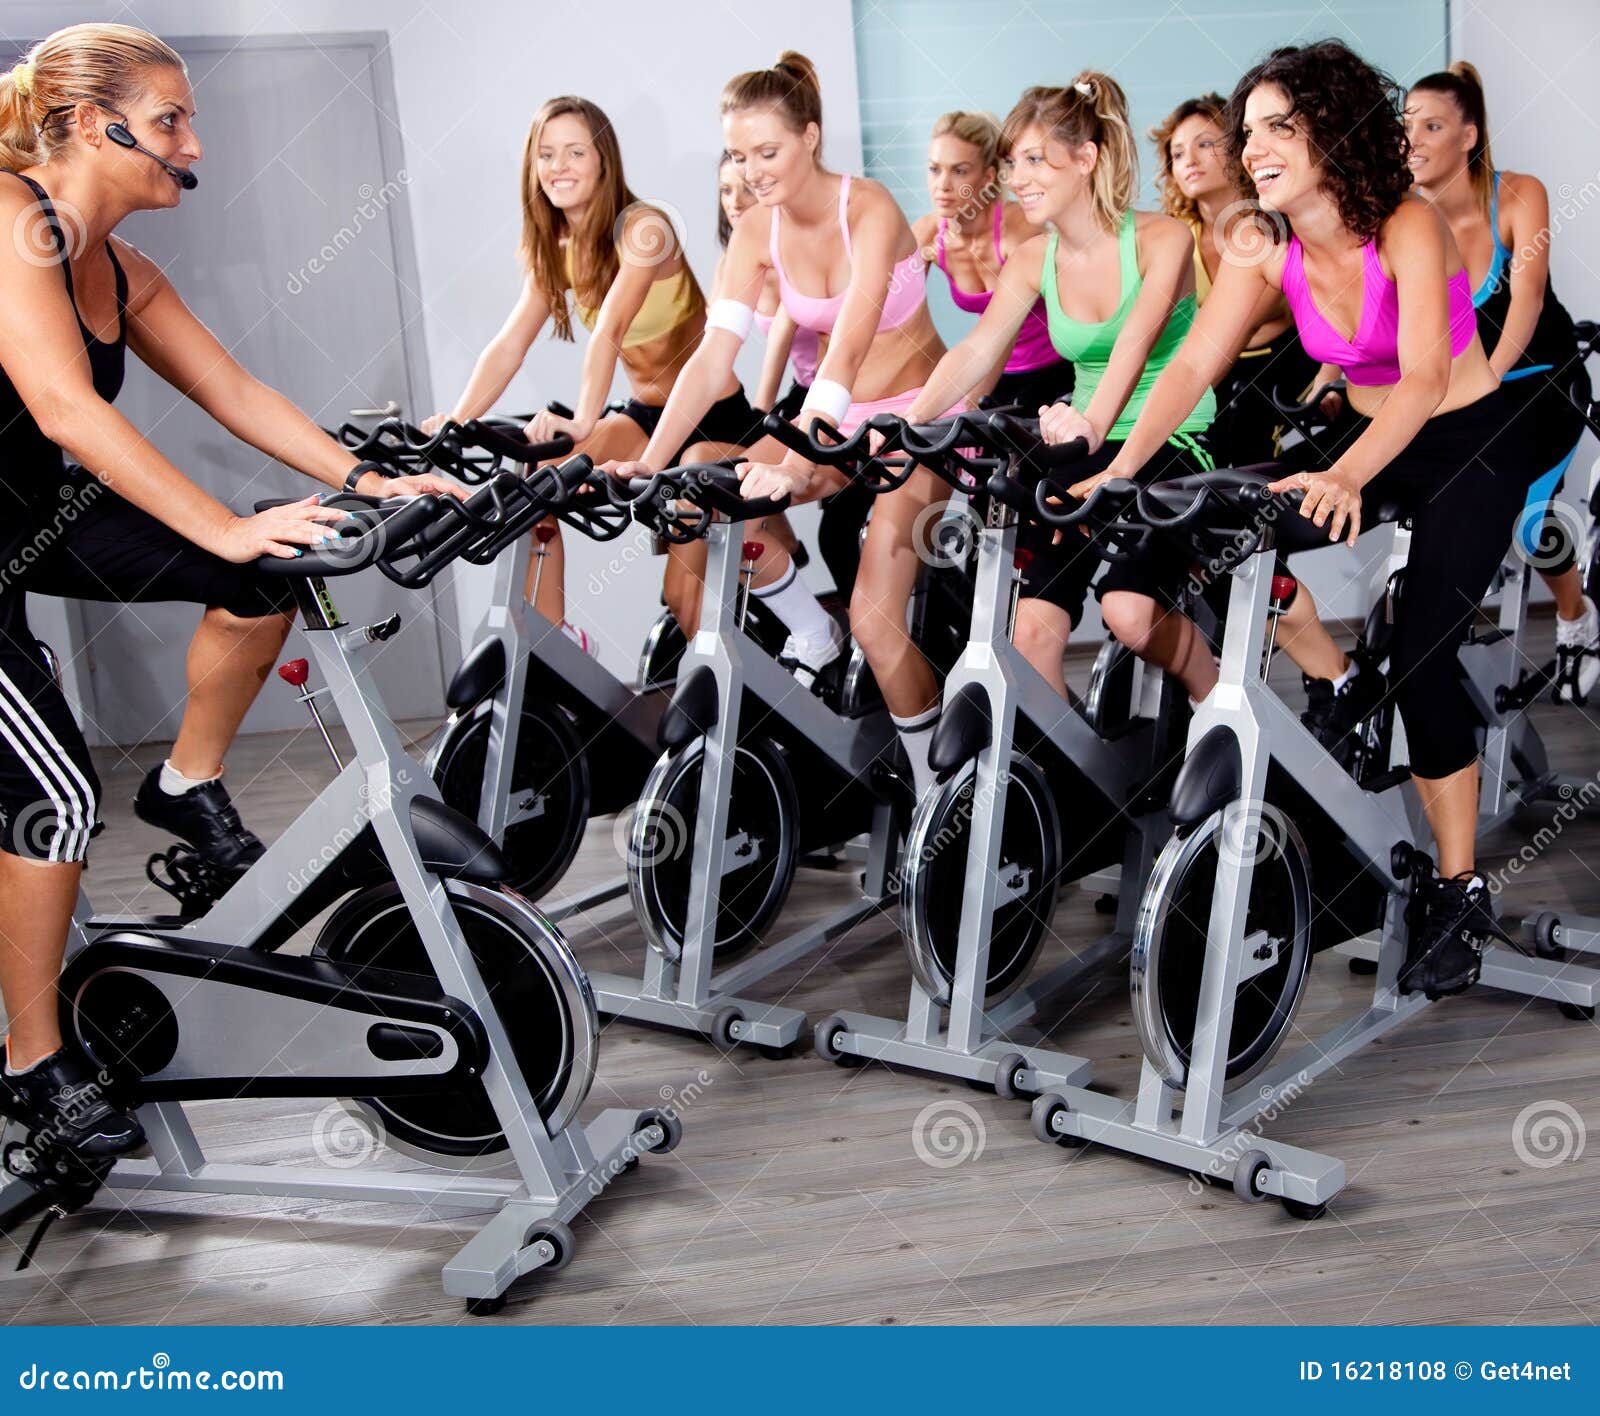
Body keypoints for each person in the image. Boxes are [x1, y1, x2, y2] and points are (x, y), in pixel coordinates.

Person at [0, 23, 459, 1153]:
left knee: (261, 575)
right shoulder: (12, 220)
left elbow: (234, 388)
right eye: (168, 122)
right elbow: (66, 410)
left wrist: (365, 479)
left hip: (20, 516)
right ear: (86, 124)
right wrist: (219, 515)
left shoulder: (116, 265)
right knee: (51, 796)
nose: (191, 143)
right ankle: (32, 1066)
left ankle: (185, 787)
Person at [1082, 40, 1530, 999]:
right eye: (1250, 133)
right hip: (1364, 443)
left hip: (1466, 441)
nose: (1254, 150)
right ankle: (1330, 699)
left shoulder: (1406, 223)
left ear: (1334, 131)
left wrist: (1348, 477)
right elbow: (1196, 363)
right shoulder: (1261, 240)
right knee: (1220, 518)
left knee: (1421, 653)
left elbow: (1421, 378)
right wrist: (1117, 470)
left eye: (1279, 128)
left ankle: (1461, 887)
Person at [607, 50, 957, 791]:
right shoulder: (758, 231)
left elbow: (853, 342)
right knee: (702, 468)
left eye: (767, 151)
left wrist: (799, 462)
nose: (754, 169)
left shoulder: (868, 208)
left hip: (918, 419)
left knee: (878, 621)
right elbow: (710, 360)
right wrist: (652, 459)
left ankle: (938, 793)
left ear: (810, 137)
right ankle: (808, 629)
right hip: (837, 417)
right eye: (738, 155)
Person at [898, 74, 1215, 700]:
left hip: (1172, 441)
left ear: (1086, 158)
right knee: (1030, 635)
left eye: (1035, 159)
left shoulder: (1162, 239)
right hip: (1086, 443)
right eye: (1013, 162)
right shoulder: (1033, 257)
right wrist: (908, 423)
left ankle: (1216, 705)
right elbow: (978, 349)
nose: (1017, 177)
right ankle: (1075, 779)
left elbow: (1135, 346)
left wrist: (1090, 420)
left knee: (1127, 613)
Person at [421, 96, 762, 653]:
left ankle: (737, 701)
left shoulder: (644, 227)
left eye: (575, 152)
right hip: (647, 417)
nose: (559, 167)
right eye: (546, 155)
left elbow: (609, 328)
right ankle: (558, 646)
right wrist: (458, 421)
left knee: (684, 598)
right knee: (540, 481)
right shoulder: (555, 251)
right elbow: (510, 344)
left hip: (711, 418)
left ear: (603, 159)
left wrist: (583, 419)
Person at [1404, 61, 1598, 699]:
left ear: (1469, 135)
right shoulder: (1408, 219)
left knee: (1527, 522)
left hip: (1542, 382)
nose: (1416, 139)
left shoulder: (1518, 194)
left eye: (1433, 125)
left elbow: (1528, 303)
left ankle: (1577, 618)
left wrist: (1478, 386)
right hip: (1469, 396)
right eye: (1407, 126)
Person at [1149, 92, 1317, 463]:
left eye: (1204, 144)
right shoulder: (1176, 237)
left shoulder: (1274, 222)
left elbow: (1255, 322)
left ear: (1237, 148)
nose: (1189, 160)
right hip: (1213, 359)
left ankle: (1256, 515)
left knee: (1242, 411)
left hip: (1286, 354)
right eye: (1177, 154)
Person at [911, 109, 1073, 411]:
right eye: (935, 169)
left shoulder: (1019, 230)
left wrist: (968, 405)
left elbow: (1004, 332)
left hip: (1059, 370)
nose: (942, 185)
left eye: (959, 171)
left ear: (987, 176)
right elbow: (893, 315)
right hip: (994, 373)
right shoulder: (929, 235)